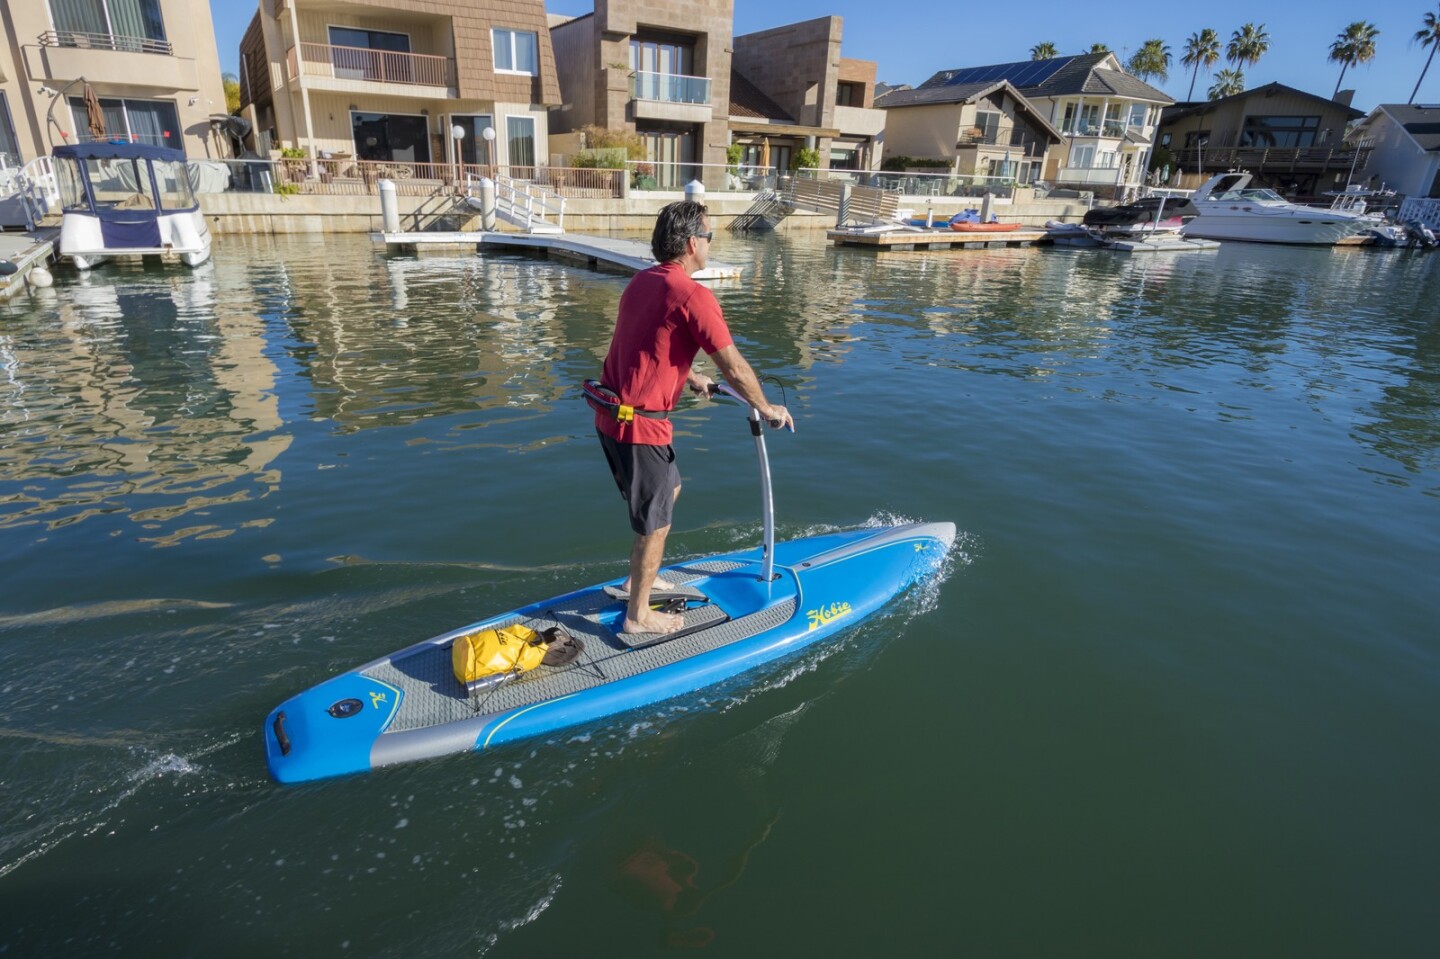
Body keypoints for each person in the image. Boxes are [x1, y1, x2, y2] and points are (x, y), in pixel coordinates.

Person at [591, 200, 793, 635]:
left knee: (669, 491)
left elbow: (646, 350)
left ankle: (637, 582)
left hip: (611, 417)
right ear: (690, 243)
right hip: (640, 427)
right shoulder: (693, 296)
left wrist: (690, 376)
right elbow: (734, 367)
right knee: (656, 524)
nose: (710, 243)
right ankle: (638, 614)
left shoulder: (643, 281)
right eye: (709, 236)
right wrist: (766, 407)